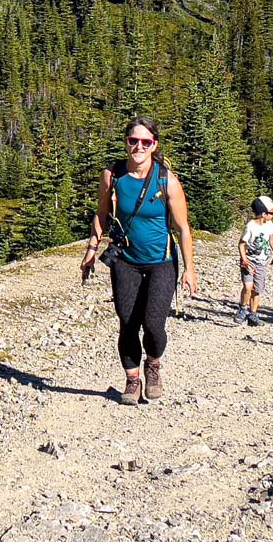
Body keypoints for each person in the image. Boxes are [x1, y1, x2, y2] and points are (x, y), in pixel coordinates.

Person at [80, 117, 198, 405]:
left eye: (146, 142)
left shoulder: (165, 179)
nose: (139, 147)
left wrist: (190, 270)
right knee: (128, 321)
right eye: (134, 141)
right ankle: (133, 380)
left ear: (154, 145)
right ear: (126, 143)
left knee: (154, 323)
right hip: (125, 260)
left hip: (161, 260)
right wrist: (92, 249)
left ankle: (153, 365)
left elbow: (183, 228)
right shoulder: (113, 175)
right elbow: (102, 214)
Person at [235, 195, 273, 327]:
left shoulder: (269, 225)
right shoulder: (250, 226)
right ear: (263, 214)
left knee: (257, 289)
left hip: (262, 262)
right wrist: (244, 260)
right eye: (271, 213)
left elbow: (272, 239)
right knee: (247, 287)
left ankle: (253, 314)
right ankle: (242, 309)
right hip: (249, 261)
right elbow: (241, 244)